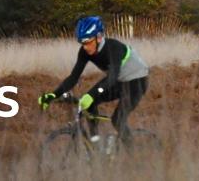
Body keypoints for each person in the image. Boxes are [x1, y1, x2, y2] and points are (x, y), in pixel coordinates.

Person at [38, 16, 150, 146]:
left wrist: (91, 94)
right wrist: (53, 94)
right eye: (82, 43)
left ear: (99, 37)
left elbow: (112, 77)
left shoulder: (113, 48)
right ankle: (95, 142)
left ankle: (134, 156)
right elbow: (73, 77)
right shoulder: (85, 52)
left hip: (137, 81)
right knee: (89, 103)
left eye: (88, 42)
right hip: (120, 81)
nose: (85, 47)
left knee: (118, 120)